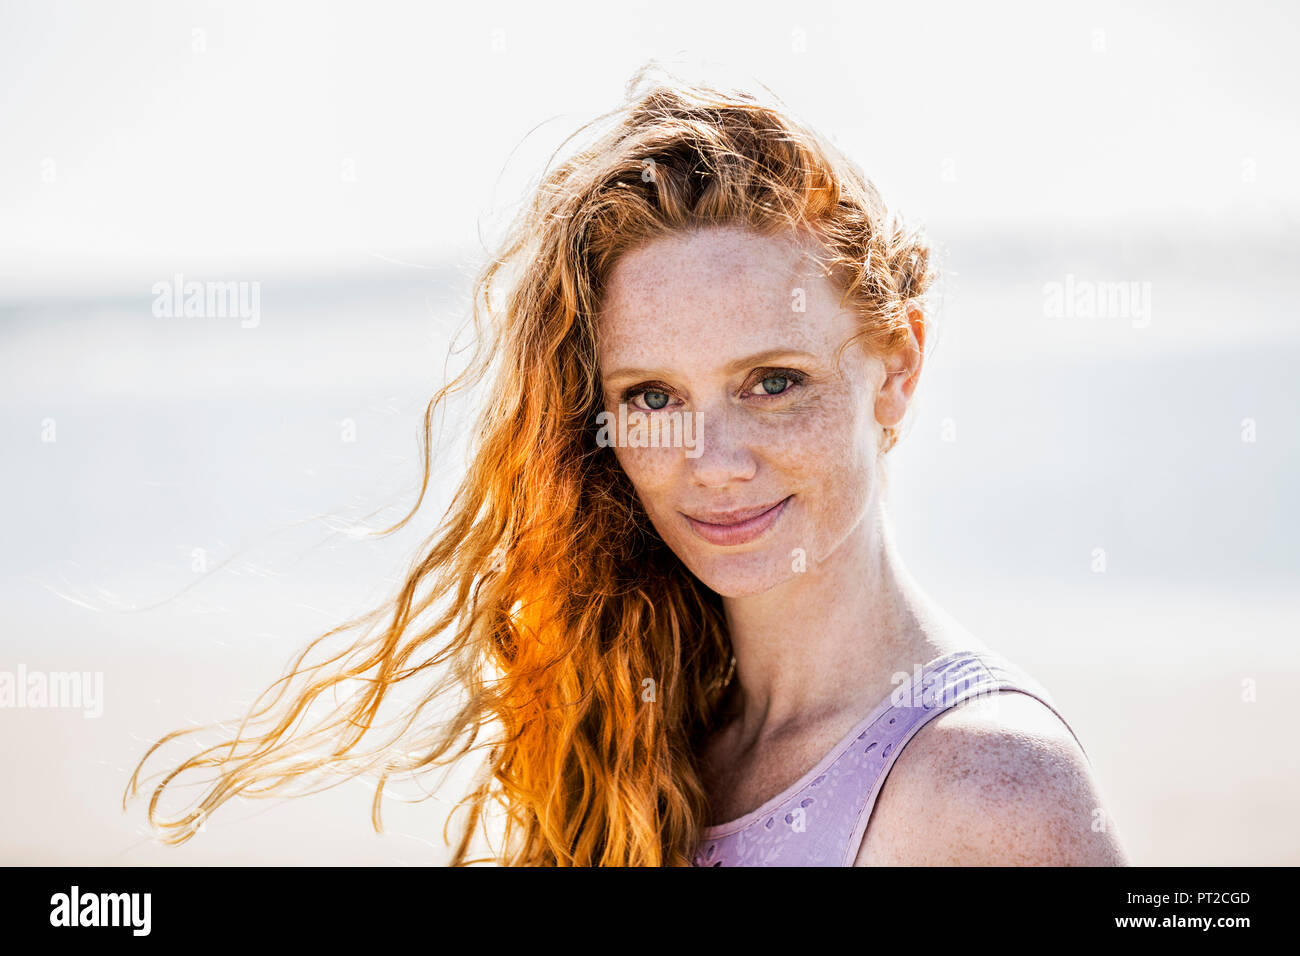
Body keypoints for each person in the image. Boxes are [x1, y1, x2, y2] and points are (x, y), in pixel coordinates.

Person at [127, 64, 1129, 866]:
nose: (714, 462)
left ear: (896, 365)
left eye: (772, 380)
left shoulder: (991, 791)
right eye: (651, 396)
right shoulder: (641, 727)